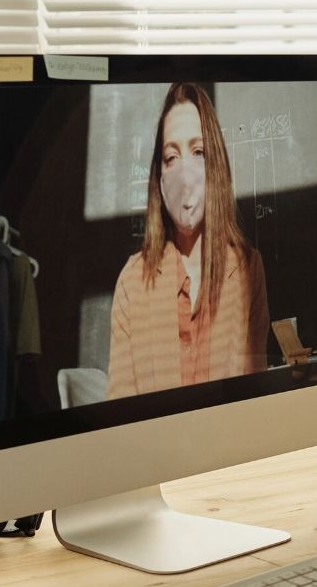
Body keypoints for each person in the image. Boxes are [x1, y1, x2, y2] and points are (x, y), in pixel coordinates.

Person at [106, 83, 270, 399]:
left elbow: (253, 400)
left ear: (216, 166)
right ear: (159, 178)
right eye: (171, 157)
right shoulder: (132, 282)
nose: (185, 173)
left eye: (198, 152)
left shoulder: (248, 270)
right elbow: (120, 410)